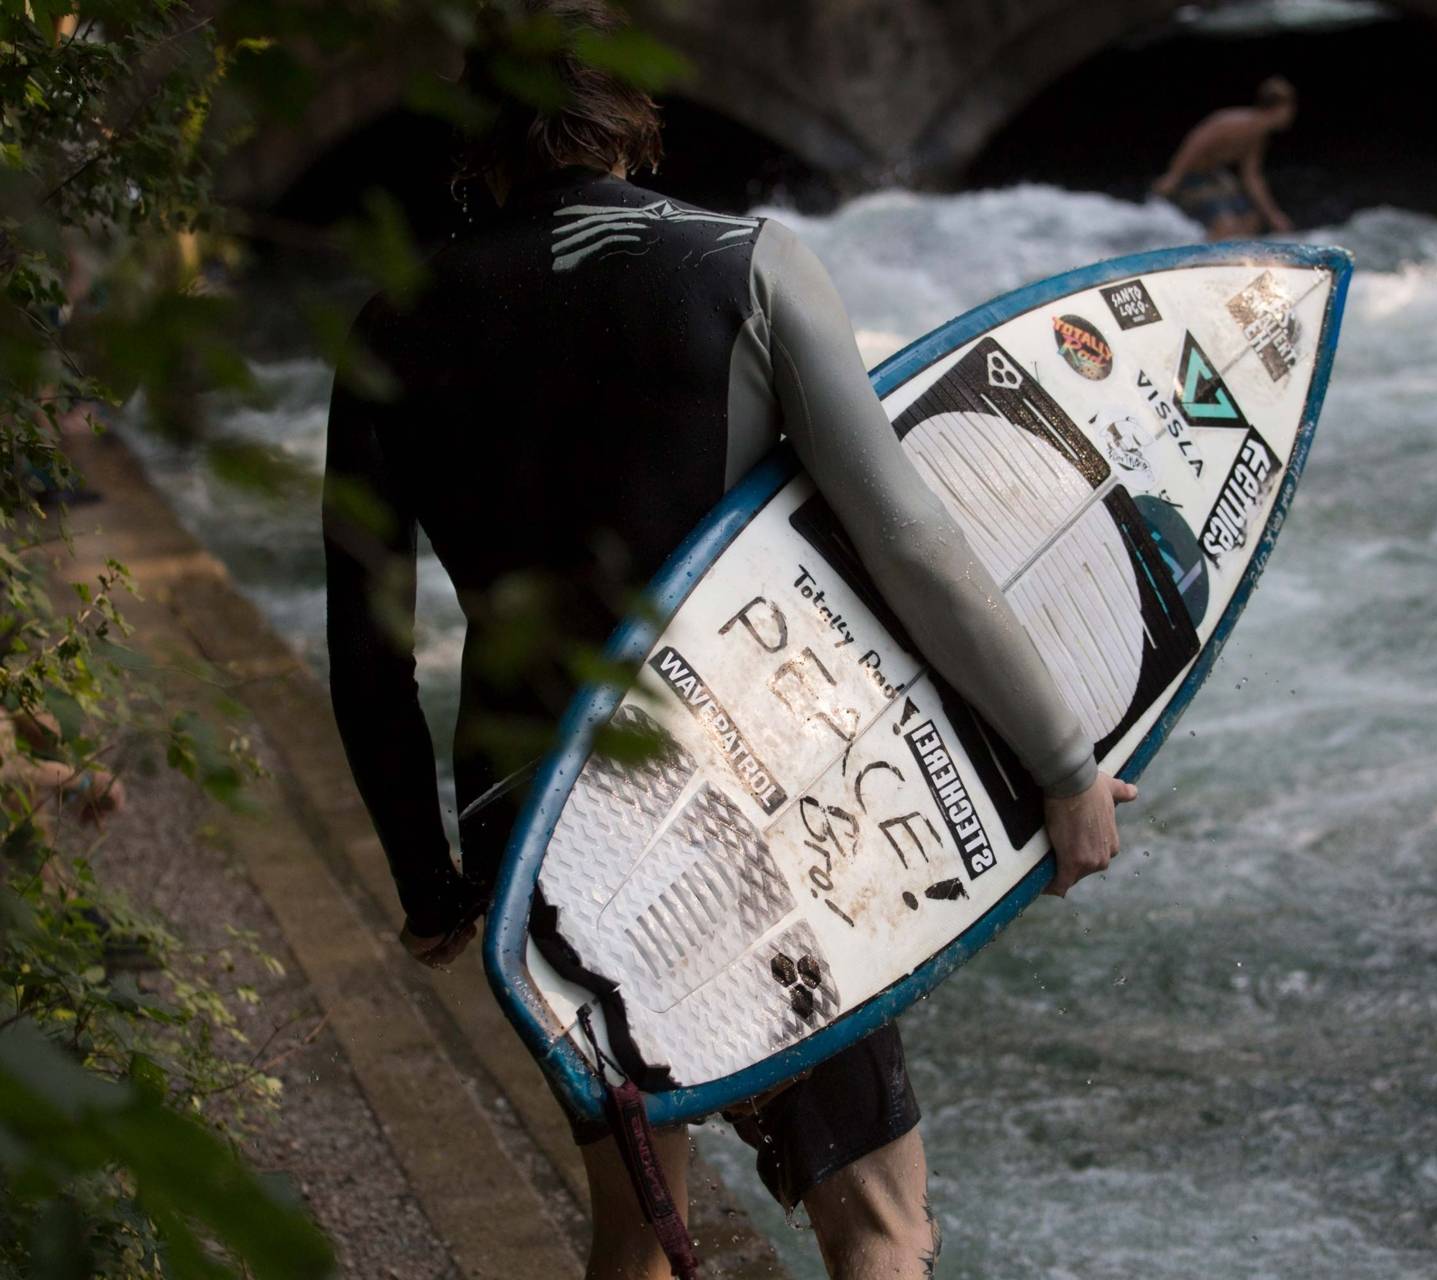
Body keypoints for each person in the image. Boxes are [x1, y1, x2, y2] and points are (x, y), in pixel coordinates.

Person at [320, 1, 1136, 1276]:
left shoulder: (390, 327)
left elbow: (366, 649)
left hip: (527, 811)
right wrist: (1065, 762)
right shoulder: (746, 265)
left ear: (473, 133)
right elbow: (910, 545)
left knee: (640, 1222)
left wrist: (428, 881)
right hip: (738, 811)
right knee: (877, 1219)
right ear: (631, 113)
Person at [1151, 77, 1297, 240]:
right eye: (1289, 108)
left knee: (1251, 220)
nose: (1291, 114)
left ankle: (1236, 257)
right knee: (1224, 224)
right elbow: (1196, 141)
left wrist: (1272, 214)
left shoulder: (1258, 136)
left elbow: (1251, 177)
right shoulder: (1236, 122)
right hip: (1191, 175)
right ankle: (1203, 257)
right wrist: (1174, 176)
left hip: (1213, 174)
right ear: (1279, 109)